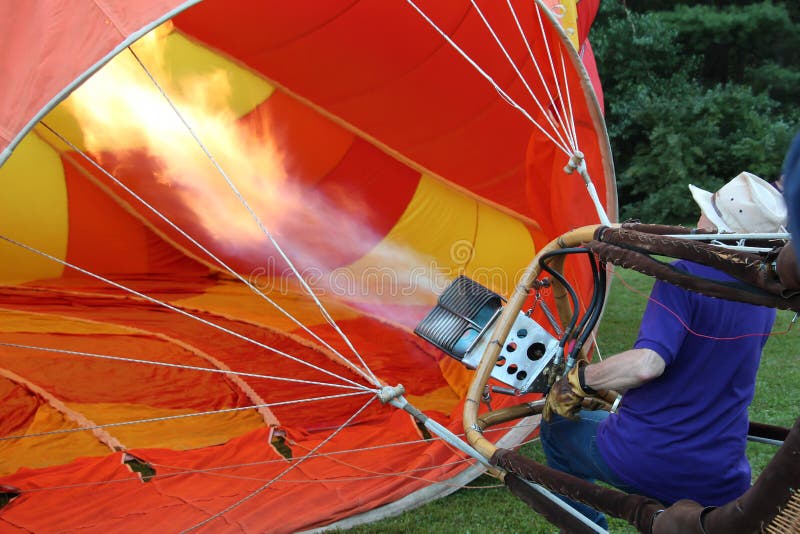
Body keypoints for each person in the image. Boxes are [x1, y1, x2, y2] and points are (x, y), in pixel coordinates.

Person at [539, 171, 787, 530]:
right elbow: (700, 366)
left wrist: (579, 381)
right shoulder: (763, 300)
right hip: (723, 473)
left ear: (714, 227)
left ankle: (590, 525)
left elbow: (647, 364)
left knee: (558, 433)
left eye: (707, 212)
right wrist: (609, 386)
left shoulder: (684, 277)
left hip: (653, 459)